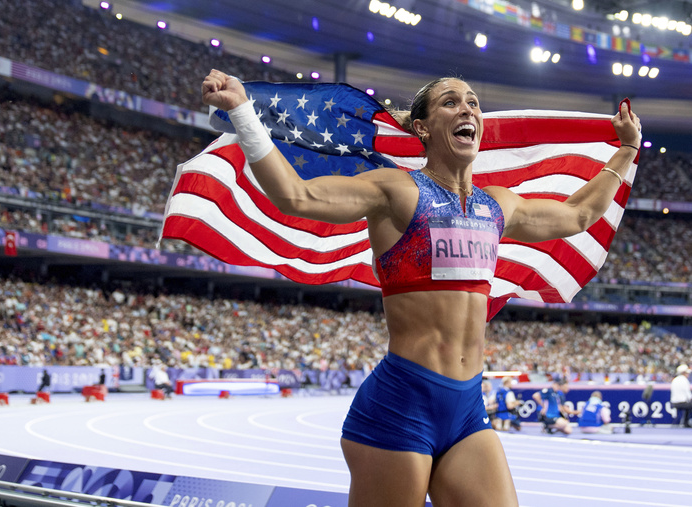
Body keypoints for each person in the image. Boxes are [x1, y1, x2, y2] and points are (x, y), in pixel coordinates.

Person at [201, 71, 641, 507]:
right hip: (400, 407)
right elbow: (297, 197)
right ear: (422, 128)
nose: (467, 108)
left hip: (467, 409)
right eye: (451, 102)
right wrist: (242, 110)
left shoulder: (498, 205)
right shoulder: (396, 191)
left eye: (472, 102)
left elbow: (580, 214)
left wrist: (627, 149)